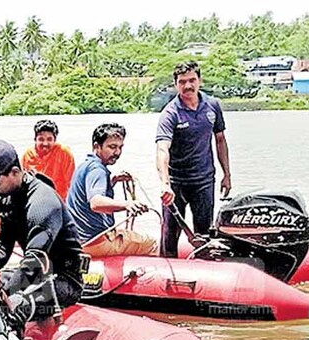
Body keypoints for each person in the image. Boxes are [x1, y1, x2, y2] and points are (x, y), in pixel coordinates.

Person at [0, 139, 85, 325]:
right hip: (36, 273)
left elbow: (34, 263)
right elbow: (1, 247)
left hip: (63, 280)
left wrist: (4, 293)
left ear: (15, 172)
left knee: (10, 308)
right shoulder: (10, 199)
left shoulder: (43, 203)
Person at [156, 61, 232, 258]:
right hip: (176, 183)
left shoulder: (213, 106)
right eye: (182, 82)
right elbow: (162, 148)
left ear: (200, 81)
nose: (187, 86)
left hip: (204, 181)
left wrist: (227, 175)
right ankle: (167, 270)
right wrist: (165, 184)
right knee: (169, 236)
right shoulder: (170, 113)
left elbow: (220, 140)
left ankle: (205, 272)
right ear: (176, 85)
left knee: (204, 233)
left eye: (192, 80)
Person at [66, 124, 157, 257]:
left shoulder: (86, 165)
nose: (117, 152)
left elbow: (89, 195)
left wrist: (112, 181)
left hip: (78, 240)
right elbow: (95, 203)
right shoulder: (97, 170)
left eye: (120, 147)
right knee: (151, 243)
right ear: (97, 147)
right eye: (112, 147)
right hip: (95, 244)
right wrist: (127, 204)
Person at [21, 119, 77, 200]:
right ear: (35, 139)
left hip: (59, 201)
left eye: (49, 139)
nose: (45, 143)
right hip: (35, 200)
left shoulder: (64, 153)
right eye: (41, 139)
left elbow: (71, 183)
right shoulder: (28, 155)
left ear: (55, 140)